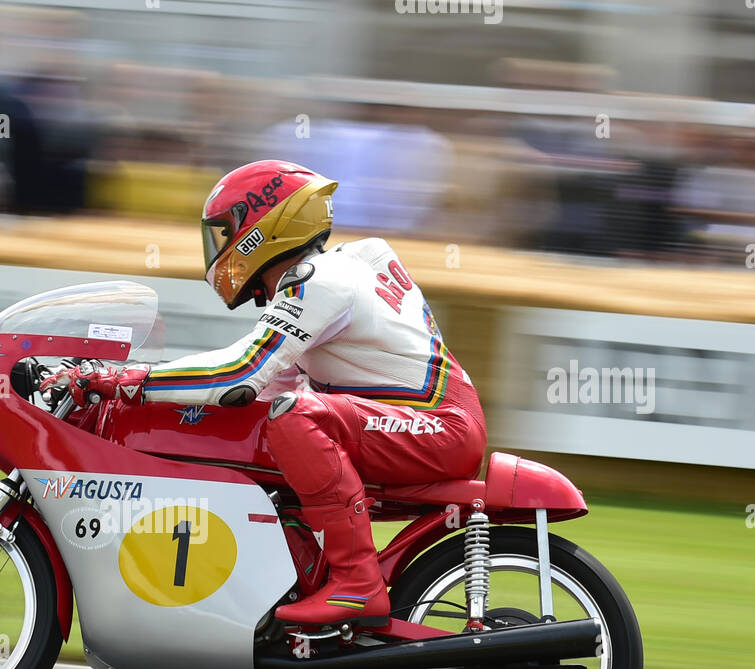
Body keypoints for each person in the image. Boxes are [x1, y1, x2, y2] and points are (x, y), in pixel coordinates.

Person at [44, 160, 487, 627]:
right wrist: (152, 393)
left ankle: (357, 583)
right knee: (271, 421)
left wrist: (126, 381)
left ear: (262, 226)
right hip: (429, 419)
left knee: (294, 417)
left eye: (222, 232)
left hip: (439, 425)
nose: (216, 248)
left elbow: (239, 375)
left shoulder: (318, 280)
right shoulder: (336, 271)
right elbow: (261, 381)